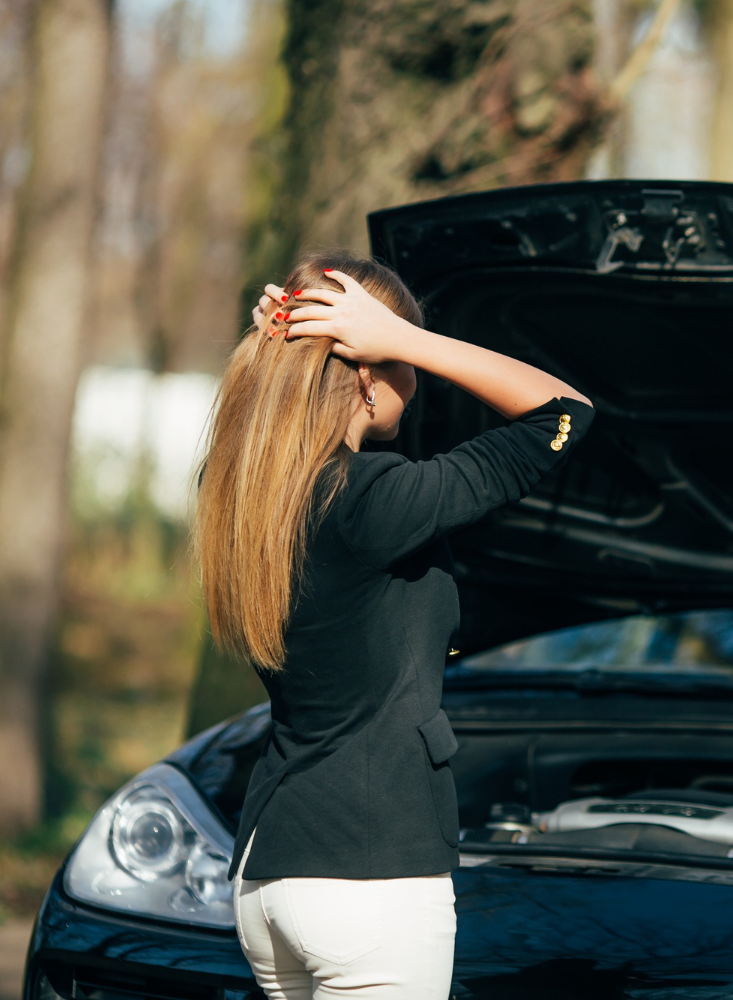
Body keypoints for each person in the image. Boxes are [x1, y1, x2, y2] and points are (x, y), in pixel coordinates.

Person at [193, 250, 593, 999]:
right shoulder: (374, 500)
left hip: (269, 870)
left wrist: (293, 351)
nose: (417, 379)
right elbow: (565, 412)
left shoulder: (252, 502)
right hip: (367, 871)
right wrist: (407, 339)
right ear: (368, 370)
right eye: (400, 357)